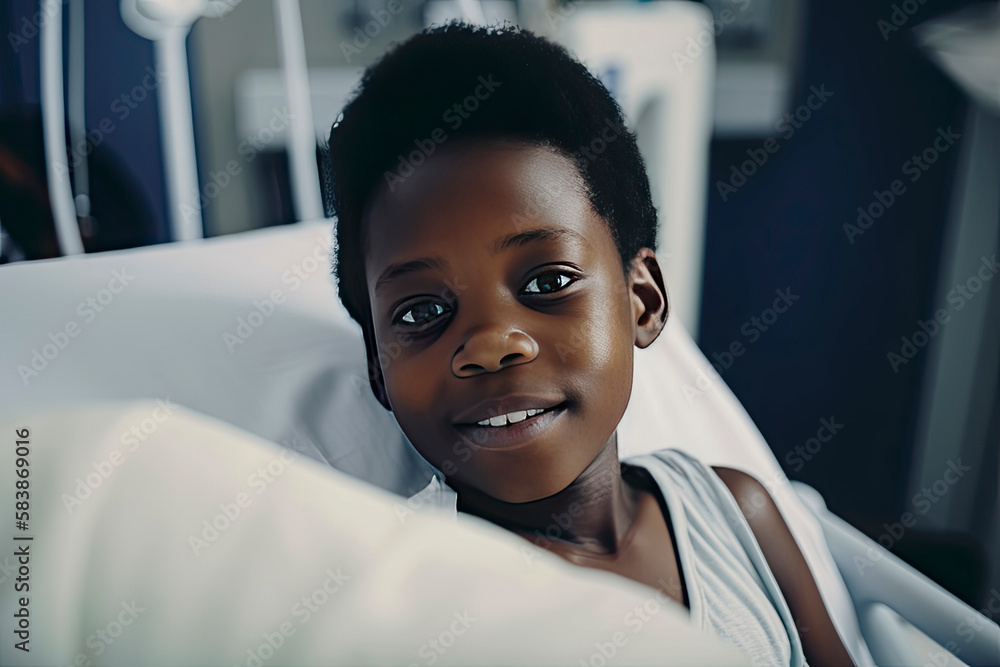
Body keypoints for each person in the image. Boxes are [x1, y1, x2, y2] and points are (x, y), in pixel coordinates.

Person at [326, 21, 855, 667]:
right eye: (424, 310)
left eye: (549, 281)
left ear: (643, 300)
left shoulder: (735, 514)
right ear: (378, 370)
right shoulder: (416, 601)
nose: (493, 344)